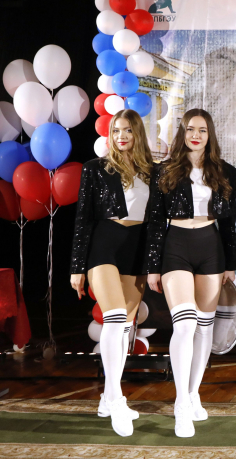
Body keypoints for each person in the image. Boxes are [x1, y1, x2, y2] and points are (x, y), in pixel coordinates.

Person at [146, 109, 236, 438]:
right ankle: (181, 403)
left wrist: (230, 264)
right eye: (190, 129)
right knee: (184, 325)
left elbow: (229, 223)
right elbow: (155, 221)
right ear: (182, 133)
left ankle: (194, 392)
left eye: (202, 130)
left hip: (211, 248)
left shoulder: (226, 171)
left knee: (204, 329)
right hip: (176, 246)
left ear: (209, 134)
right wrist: (152, 267)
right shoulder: (164, 170)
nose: (195, 135)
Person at [69, 109, 153, 437]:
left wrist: (155, 264)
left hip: (137, 248)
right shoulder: (95, 169)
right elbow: (83, 219)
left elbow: (158, 221)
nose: (121, 136)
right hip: (105, 244)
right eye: (116, 130)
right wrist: (77, 267)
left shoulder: (154, 171)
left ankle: (107, 397)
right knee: (114, 319)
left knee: (125, 328)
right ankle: (117, 399)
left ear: (137, 134)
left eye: (128, 130)